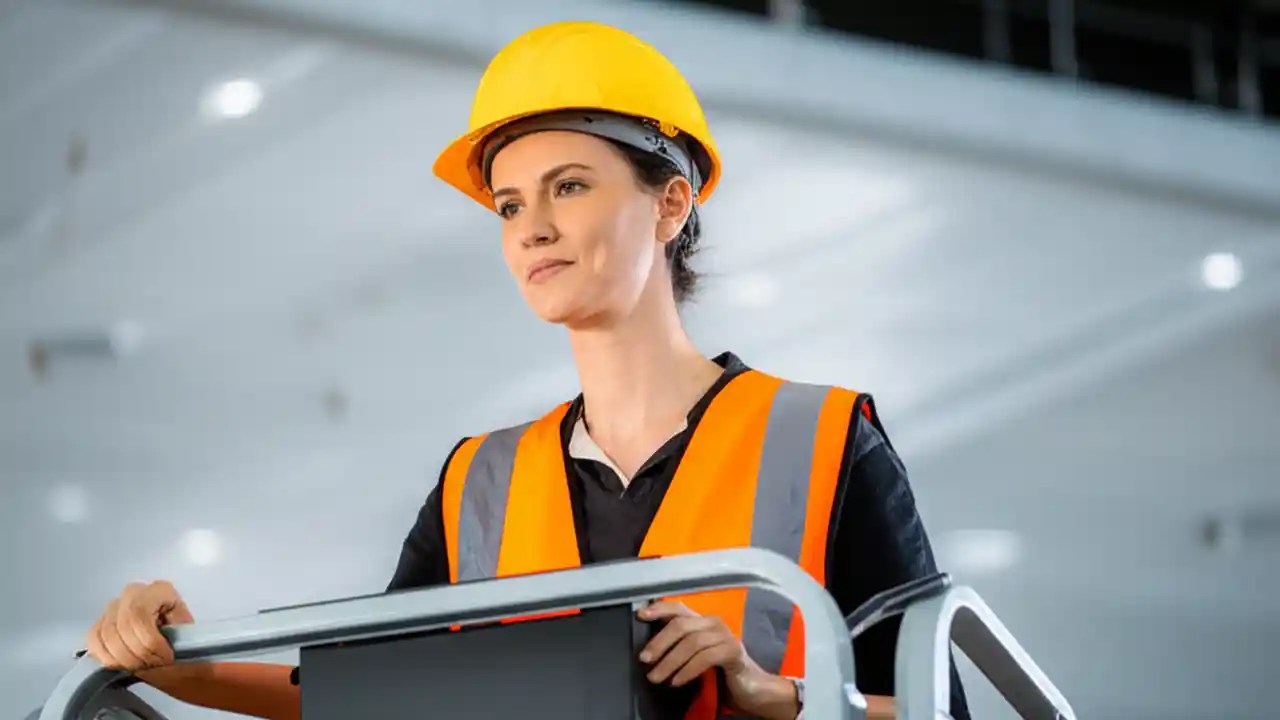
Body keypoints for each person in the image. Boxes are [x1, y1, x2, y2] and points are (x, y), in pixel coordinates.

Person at [81, 20, 969, 720]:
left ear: (671, 203)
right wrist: (183, 664)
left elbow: (940, 709)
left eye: (569, 186)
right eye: (509, 205)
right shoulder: (482, 484)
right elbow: (373, 699)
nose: (531, 228)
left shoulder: (819, 442)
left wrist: (775, 694)